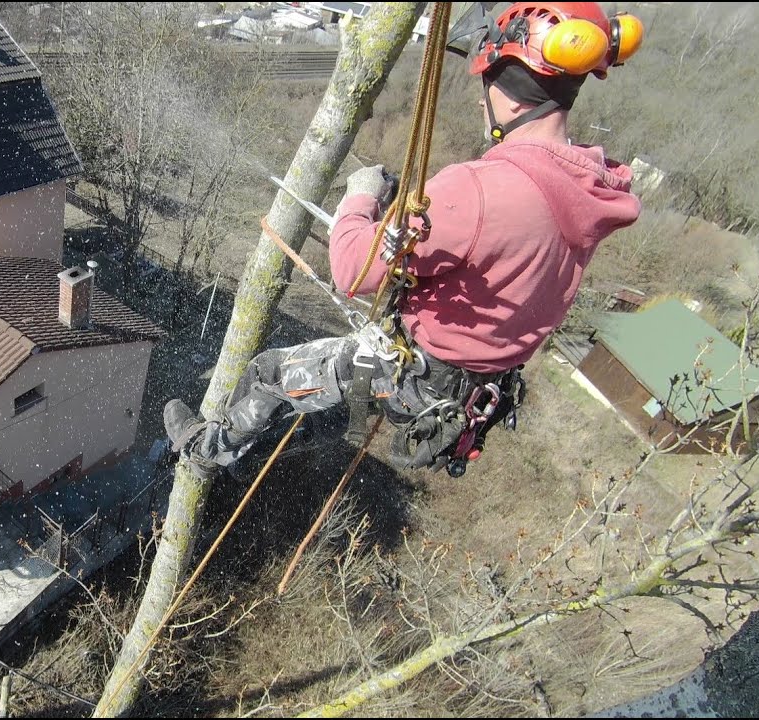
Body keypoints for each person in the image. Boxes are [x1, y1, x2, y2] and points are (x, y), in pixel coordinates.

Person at [164, 1, 645, 478]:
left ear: (515, 94)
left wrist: (360, 198)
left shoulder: (478, 190)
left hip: (414, 379)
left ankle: (208, 451)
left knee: (269, 375)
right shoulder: (588, 186)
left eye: (489, 82)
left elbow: (353, 269)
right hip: (472, 393)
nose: (483, 99)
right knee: (325, 398)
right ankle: (274, 444)